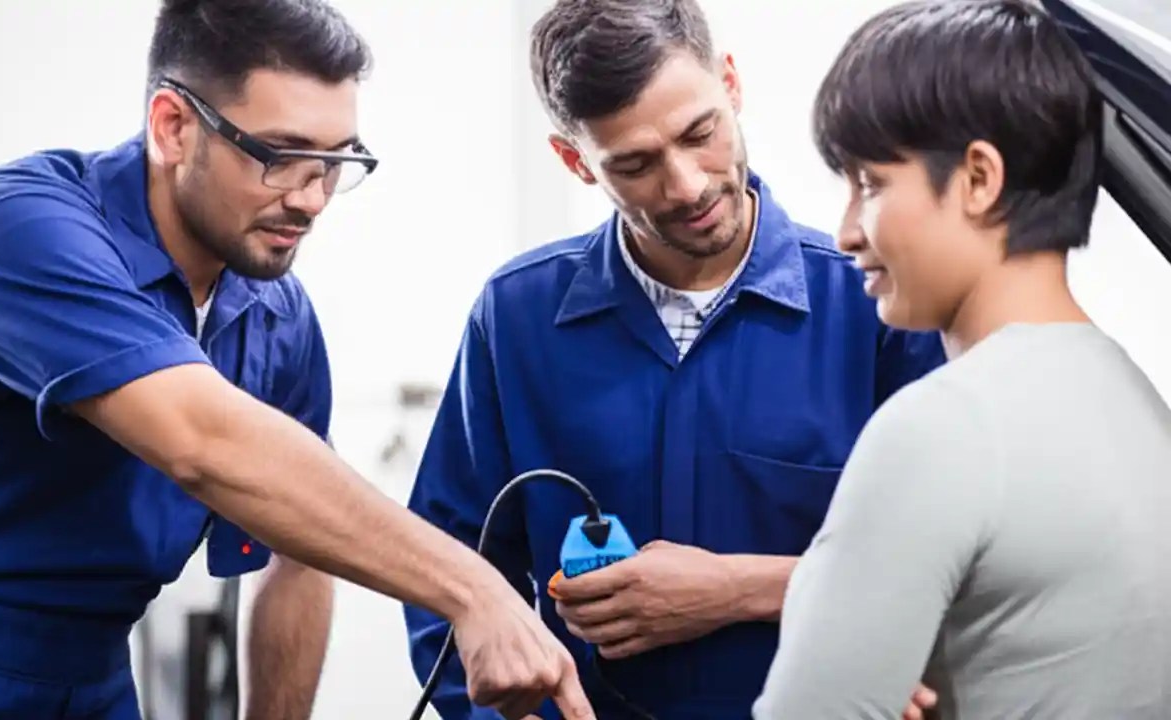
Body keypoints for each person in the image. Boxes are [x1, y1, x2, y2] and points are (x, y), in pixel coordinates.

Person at [0, 1, 596, 719]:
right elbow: (204, 441)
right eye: (281, 157)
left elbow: (302, 544)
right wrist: (473, 588)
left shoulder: (277, 318)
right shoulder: (22, 234)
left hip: (93, 681)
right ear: (173, 127)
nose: (313, 198)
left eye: (337, 161)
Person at [402, 1, 947, 717]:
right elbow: (448, 576)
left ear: (731, 84)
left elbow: (952, 572)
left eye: (701, 133)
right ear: (575, 161)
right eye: (634, 164)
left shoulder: (880, 305)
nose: (687, 185)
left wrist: (730, 590)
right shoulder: (515, 318)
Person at [753, 1, 1171, 718]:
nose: (848, 230)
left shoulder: (941, 429)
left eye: (871, 183)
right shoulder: (1140, 405)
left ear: (979, 178)